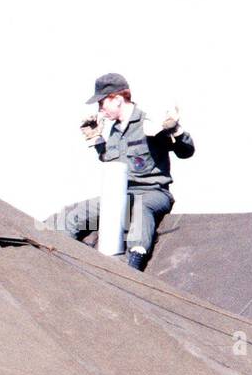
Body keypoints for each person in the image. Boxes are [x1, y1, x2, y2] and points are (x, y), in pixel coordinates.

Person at [45, 73, 195, 270]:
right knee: (71, 215)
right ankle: (53, 261)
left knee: (141, 210)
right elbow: (114, 164)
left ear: (117, 99)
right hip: (119, 195)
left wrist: (176, 130)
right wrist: (97, 140)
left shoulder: (149, 123)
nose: (100, 109)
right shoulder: (114, 130)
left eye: (102, 103)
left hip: (153, 192)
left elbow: (186, 152)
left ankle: (132, 265)